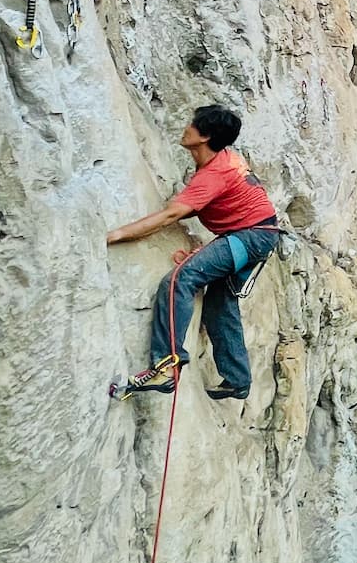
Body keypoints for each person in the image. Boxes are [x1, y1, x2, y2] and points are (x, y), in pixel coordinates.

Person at [107, 105, 280, 401]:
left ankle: (165, 367)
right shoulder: (223, 161)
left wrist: (116, 235)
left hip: (248, 237)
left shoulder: (214, 174)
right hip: (259, 235)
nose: (186, 127)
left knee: (179, 280)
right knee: (219, 303)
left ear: (204, 136)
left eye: (192, 123)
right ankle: (237, 379)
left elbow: (170, 216)